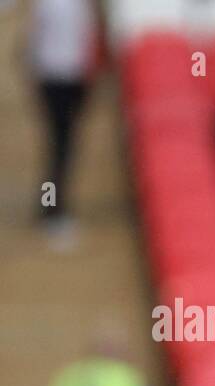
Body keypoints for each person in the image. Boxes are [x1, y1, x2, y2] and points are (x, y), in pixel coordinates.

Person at [25, 0, 98, 244]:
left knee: (64, 148)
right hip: (55, 78)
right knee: (59, 148)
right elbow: (35, 39)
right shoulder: (51, 4)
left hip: (72, 78)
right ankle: (51, 209)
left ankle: (53, 206)